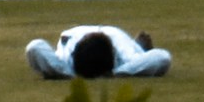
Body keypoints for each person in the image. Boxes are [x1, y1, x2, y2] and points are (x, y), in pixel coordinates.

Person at [26, 26, 172, 80]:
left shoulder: (123, 51)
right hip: (76, 36)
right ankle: (140, 47)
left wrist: (116, 73)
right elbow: (34, 47)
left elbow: (162, 57)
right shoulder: (66, 57)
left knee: (141, 55)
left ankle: (139, 46)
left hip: (118, 39)